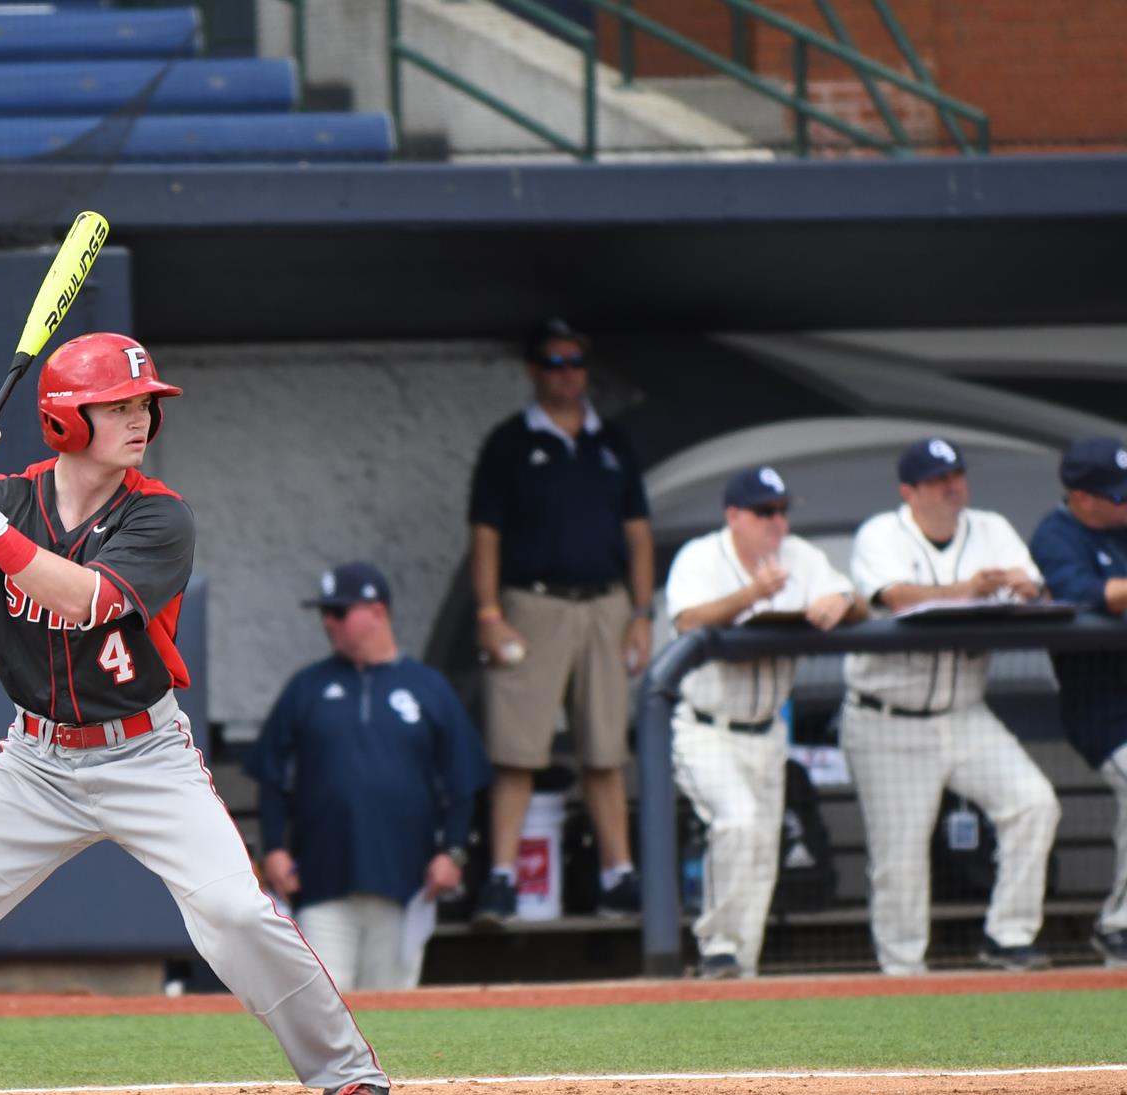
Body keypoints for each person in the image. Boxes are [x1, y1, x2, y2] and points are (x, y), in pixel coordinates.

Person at [0, 332, 390, 1095]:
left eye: (144, 405)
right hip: (37, 761)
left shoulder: (159, 514)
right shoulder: (9, 497)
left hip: (145, 754)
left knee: (236, 915)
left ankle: (351, 1076)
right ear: (66, 420)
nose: (141, 418)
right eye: (120, 406)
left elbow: (84, 600)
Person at [842, 437, 1060, 975]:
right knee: (900, 858)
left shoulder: (991, 528)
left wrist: (1024, 589)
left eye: (957, 475)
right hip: (889, 718)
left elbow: (1037, 588)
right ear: (910, 491)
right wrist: (971, 588)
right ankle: (903, 972)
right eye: (939, 480)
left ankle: (1008, 937)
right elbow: (895, 597)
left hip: (965, 712)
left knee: (1034, 803)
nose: (953, 486)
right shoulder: (882, 532)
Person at [467, 317, 654, 922]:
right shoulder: (510, 442)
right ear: (533, 369)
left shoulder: (612, 442)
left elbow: (640, 534)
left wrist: (642, 612)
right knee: (518, 749)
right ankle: (500, 877)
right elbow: (485, 535)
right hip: (533, 604)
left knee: (604, 749)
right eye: (554, 362)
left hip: (606, 603)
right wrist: (490, 614)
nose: (567, 373)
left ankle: (617, 875)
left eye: (576, 361)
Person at [246, 561, 490, 990]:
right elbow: (271, 777)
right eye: (325, 612)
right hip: (321, 884)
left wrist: (452, 852)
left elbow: (463, 781)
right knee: (322, 1007)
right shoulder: (306, 687)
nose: (328, 622)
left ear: (377, 612)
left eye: (339, 611)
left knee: (392, 1015)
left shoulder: (428, 687)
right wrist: (276, 850)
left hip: (404, 886)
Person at [665, 467, 863, 980]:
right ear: (734, 516)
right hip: (707, 727)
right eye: (764, 512)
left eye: (781, 510)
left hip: (767, 730)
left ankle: (739, 970)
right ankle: (717, 950)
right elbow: (687, 620)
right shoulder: (701, 556)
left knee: (761, 854)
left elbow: (858, 599)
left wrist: (837, 601)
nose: (777, 522)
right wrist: (750, 596)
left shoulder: (800, 555)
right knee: (737, 822)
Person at [1027, 437, 1127, 969]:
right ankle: (1120, 925)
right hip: (1104, 709)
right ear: (1081, 496)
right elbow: (1083, 592)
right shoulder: (1056, 534)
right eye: (1116, 496)